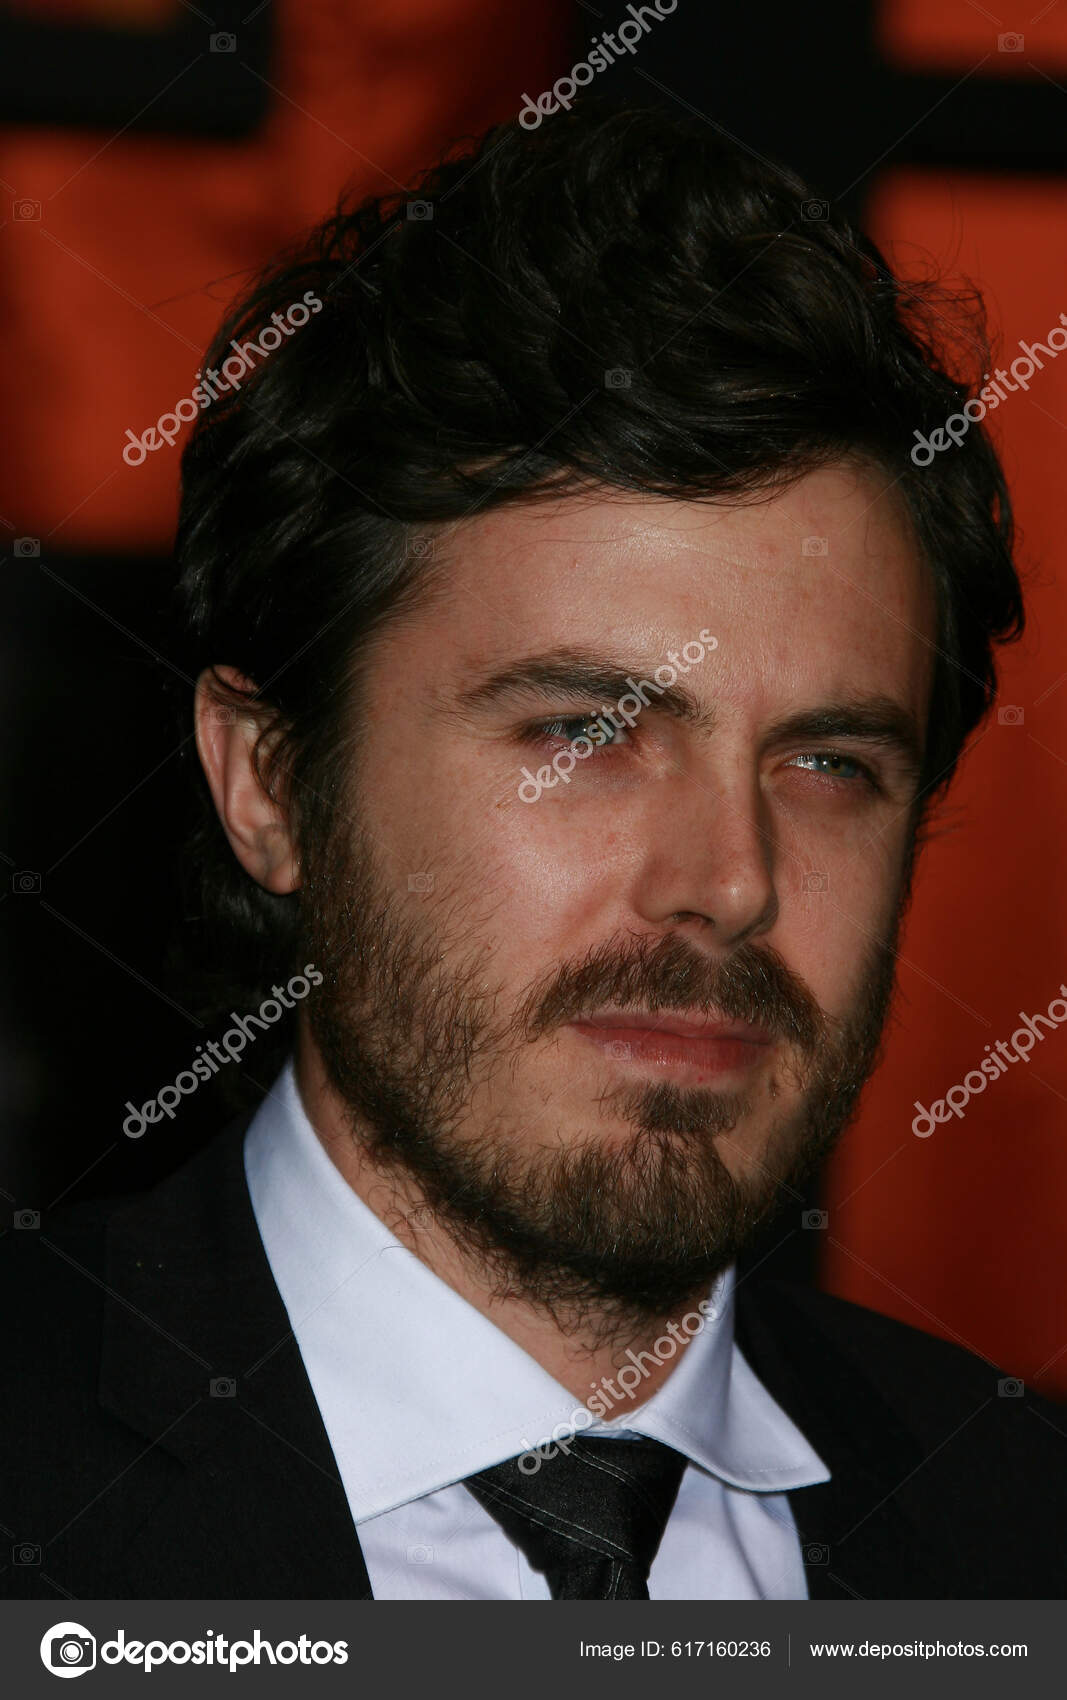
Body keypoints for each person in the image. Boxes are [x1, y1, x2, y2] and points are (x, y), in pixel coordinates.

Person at [3, 100, 1063, 1602]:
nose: (734, 878)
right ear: (271, 783)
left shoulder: (1018, 1536)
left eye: (827, 762)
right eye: (586, 731)